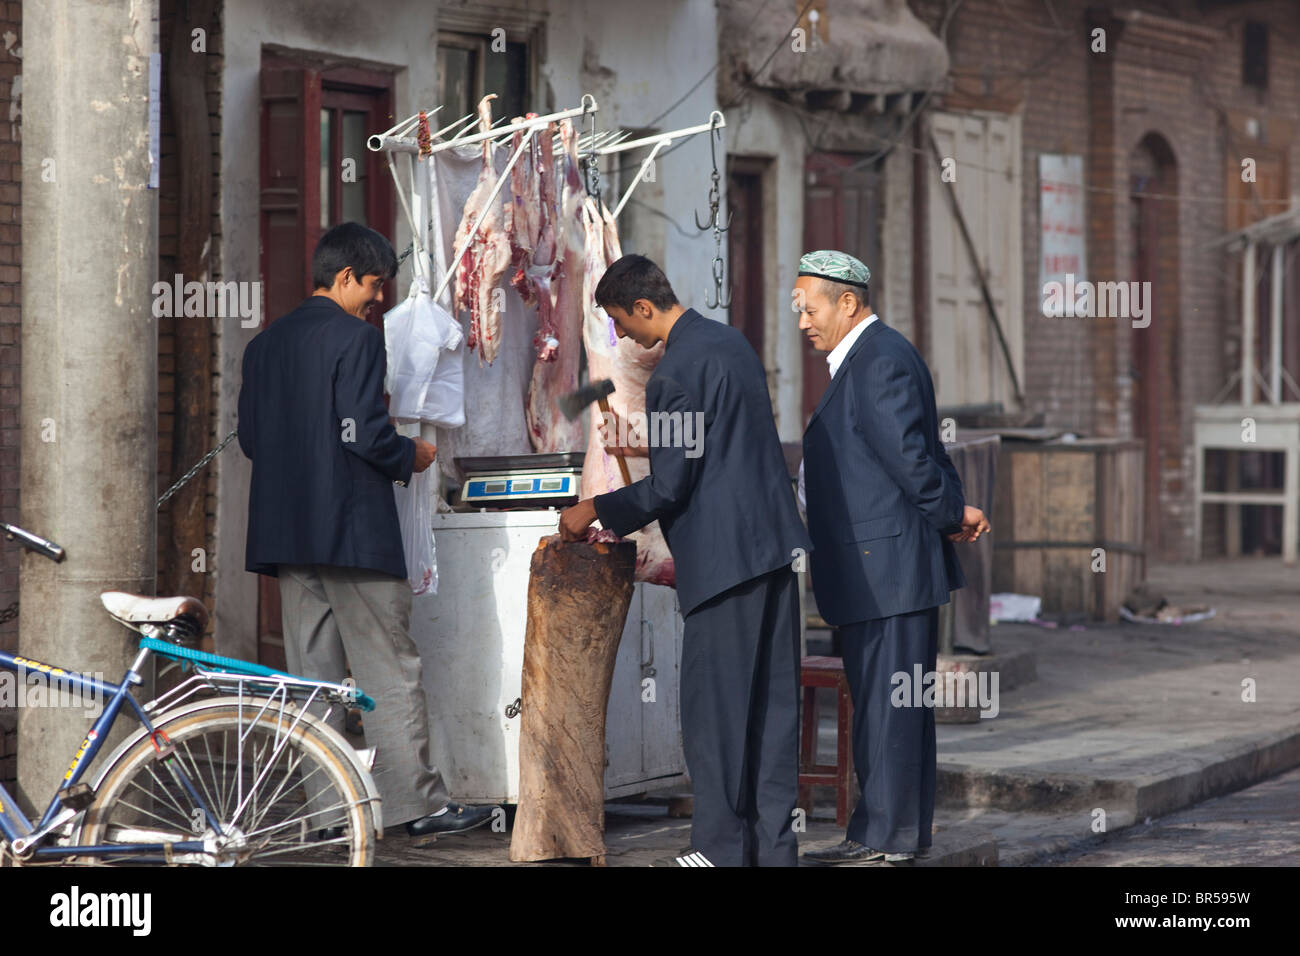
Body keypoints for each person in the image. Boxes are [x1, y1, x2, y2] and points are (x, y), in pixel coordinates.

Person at [238, 222, 495, 841]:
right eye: (375, 285)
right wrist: (411, 455)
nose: (378, 300)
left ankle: (327, 814)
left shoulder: (264, 345)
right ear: (346, 276)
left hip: (287, 534)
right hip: (351, 531)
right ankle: (418, 806)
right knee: (388, 668)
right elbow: (364, 433)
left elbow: (250, 440)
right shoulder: (355, 338)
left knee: (312, 680)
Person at [559, 254, 811, 867]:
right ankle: (773, 852)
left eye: (621, 322)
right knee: (771, 711)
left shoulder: (674, 374)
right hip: (774, 554)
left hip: (724, 567)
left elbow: (672, 485)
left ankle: (717, 852)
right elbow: (720, 449)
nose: (623, 336)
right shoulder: (730, 344)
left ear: (644, 307)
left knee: (716, 716)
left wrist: (595, 507)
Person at [794, 250, 989, 865]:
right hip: (875, 568)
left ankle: (886, 840)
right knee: (888, 707)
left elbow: (912, 458)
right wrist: (951, 512)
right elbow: (925, 451)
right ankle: (890, 834)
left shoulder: (878, 360)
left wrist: (949, 514)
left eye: (810, 309)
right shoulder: (870, 357)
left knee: (891, 709)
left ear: (847, 303)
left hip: (888, 569)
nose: (802, 322)